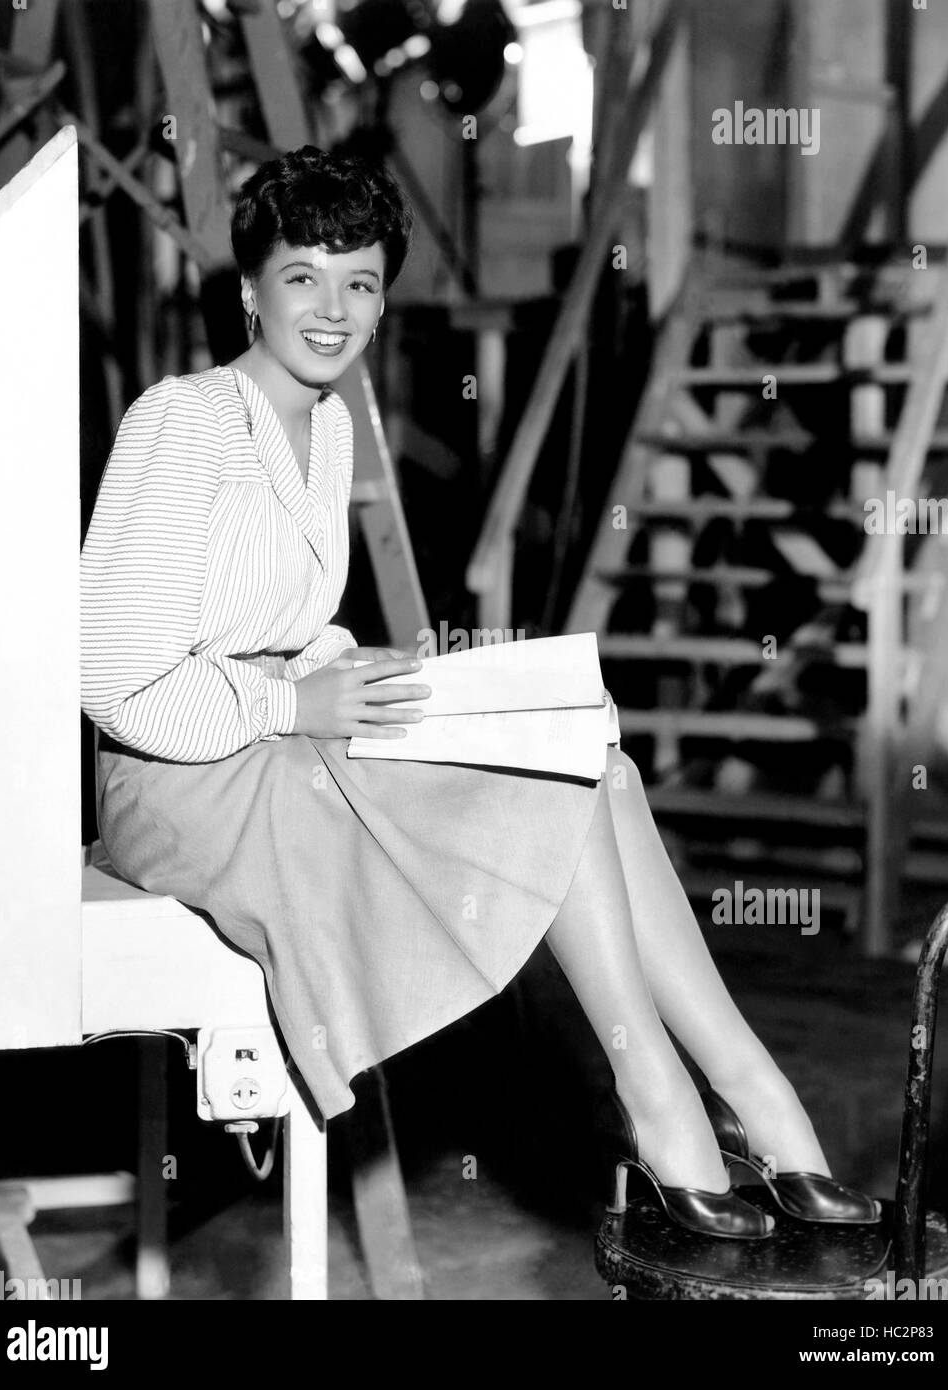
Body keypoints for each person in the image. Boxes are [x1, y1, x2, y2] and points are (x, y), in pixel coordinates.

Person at [81, 145, 879, 1240]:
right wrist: (287, 705)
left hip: (274, 733)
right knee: (544, 789)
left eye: (359, 282)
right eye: (303, 276)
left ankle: (745, 1089)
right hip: (181, 782)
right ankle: (666, 1099)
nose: (332, 309)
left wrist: (338, 663)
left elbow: (272, 613)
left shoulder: (327, 429)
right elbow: (111, 678)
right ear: (248, 290)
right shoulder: (181, 421)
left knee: (595, 760)